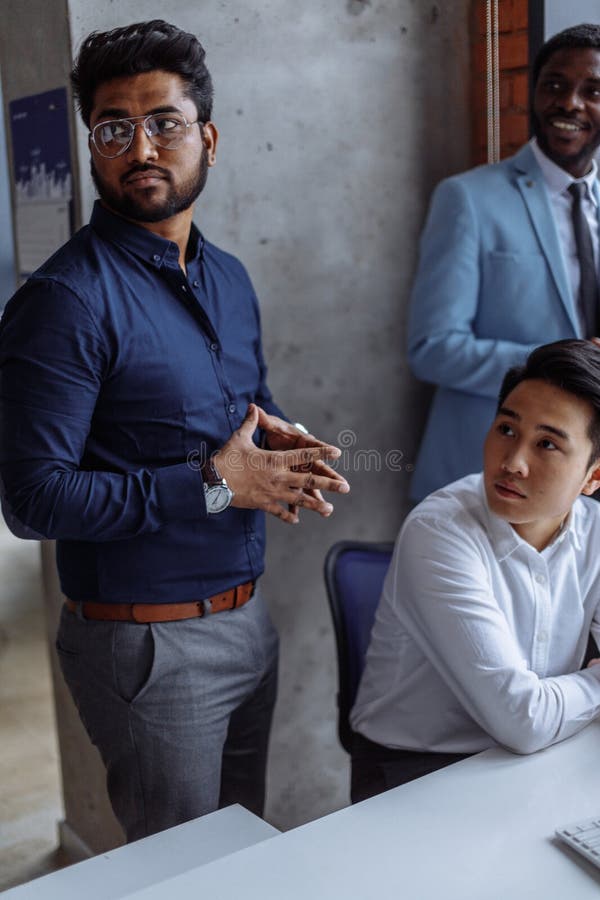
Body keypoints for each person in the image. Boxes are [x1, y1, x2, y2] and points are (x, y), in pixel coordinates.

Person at [0, 20, 349, 841]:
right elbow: (31, 500)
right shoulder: (65, 302)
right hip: (147, 651)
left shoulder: (226, 276)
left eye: (165, 122)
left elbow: (244, 412)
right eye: (114, 128)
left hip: (247, 621)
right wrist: (218, 483)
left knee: (241, 856)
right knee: (181, 881)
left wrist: (278, 448)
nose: (142, 147)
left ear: (209, 140)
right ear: (93, 146)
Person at [350, 339, 600, 803]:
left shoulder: (596, 532)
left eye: (547, 443)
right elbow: (522, 720)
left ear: (592, 477)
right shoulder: (440, 530)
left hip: (537, 756)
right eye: (507, 428)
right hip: (417, 770)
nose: (512, 463)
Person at [407, 23, 600, 502]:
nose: (570, 103)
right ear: (534, 93)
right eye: (554, 84)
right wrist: (561, 366)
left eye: (592, 90)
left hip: (587, 488)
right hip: (489, 480)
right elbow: (433, 347)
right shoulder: (468, 198)